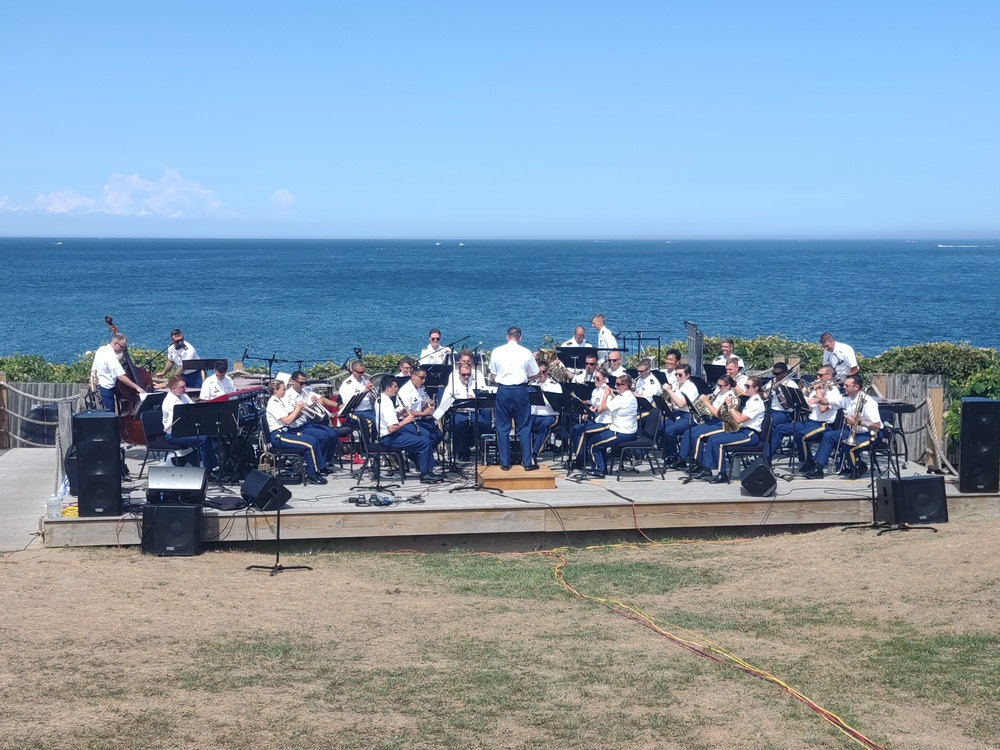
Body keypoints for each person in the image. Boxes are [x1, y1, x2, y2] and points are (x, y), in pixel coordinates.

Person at [804, 374, 881, 480]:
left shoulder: (869, 403)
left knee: (848, 446)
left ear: (856, 387)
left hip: (869, 434)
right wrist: (817, 400)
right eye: (844, 385)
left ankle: (859, 467)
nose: (844, 387)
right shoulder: (845, 398)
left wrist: (858, 422)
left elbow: (877, 425)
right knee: (829, 436)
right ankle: (819, 468)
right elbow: (828, 401)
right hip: (852, 431)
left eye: (847, 385)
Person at [693, 376, 767, 484]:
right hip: (743, 430)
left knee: (718, 442)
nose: (745, 388)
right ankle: (707, 468)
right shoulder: (751, 400)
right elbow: (739, 416)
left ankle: (722, 474)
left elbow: (739, 419)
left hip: (750, 435)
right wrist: (731, 409)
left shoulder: (756, 402)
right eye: (745, 385)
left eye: (748, 386)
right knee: (712, 438)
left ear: (755, 388)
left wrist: (730, 406)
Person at [489, 326, 540, 471]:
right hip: (520, 390)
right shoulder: (526, 352)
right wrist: (526, 378)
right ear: (520, 338)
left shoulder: (497, 351)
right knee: (524, 426)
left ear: (507, 337)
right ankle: (527, 462)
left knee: (503, 426)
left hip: (503, 390)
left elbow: (493, 374)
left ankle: (505, 463)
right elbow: (535, 373)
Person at [377, 375, 440, 483]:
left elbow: (391, 417)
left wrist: (401, 413)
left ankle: (425, 468)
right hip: (389, 438)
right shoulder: (386, 403)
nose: (397, 389)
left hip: (390, 435)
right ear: (388, 388)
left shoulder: (382, 399)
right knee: (425, 441)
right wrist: (406, 420)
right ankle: (425, 474)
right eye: (395, 387)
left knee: (421, 438)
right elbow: (391, 428)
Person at [264, 379, 326, 484]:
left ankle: (317, 470)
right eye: (283, 389)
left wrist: (303, 409)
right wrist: (298, 408)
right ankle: (312, 474)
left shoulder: (279, 401)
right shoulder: (273, 403)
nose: (285, 391)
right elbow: (287, 421)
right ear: (275, 390)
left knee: (313, 439)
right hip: (279, 436)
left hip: (286, 431)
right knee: (310, 444)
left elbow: (290, 416)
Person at [673, 375, 738, 470]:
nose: (718, 387)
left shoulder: (730, 397)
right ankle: (682, 459)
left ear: (728, 386)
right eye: (717, 385)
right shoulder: (720, 394)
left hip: (722, 424)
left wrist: (706, 402)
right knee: (688, 432)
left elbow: (717, 414)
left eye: (720, 386)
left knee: (697, 436)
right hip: (713, 421)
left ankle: (699, 464)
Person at [284, 370, 347, 468]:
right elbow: (291, 416)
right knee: (324, 436)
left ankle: (326, 462)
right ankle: (317, 464)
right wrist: (309, 405)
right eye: (301, 383)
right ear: (293, 382)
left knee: (333, 434)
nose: (303, 385)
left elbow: (321, 400)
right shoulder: (288, 396)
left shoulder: (305, 391)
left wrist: (338, 405)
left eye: (305, 383)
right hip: (295, 427)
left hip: (305, 424)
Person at [582, 373, 638, 476]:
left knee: (593, 444)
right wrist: (612, 394)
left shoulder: (622, 399)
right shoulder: (630, 396)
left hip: (621, 432)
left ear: (625, 386)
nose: (615, 387)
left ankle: (599, 470)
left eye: (618, 385)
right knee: (596, 438)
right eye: (615, 384)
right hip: (627, 430)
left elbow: (602, 407)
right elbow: (617, 401)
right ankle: (602, 467)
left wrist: (606, 394)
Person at [161, 375, 217, 474]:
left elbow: (194, 409)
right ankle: (208, 471)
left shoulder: (183, 396)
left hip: (185, 431)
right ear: (173, 388)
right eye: (182, 387)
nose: (185, 389)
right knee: (204, 439)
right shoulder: (170, 403)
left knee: (213, 439)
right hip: (173, 435)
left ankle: (188, 459)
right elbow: (177, 425)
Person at [448, 360, 493, 461]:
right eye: (463, 375)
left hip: (472, 412)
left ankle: (482, 450)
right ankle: (465, 452)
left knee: (482, 425)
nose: (466, 377)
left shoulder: (474, 384)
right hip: (459, 412)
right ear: (459, 374)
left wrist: (475, 398)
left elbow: (483, 398)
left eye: (468, 374)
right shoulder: (453, 384)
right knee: (459, 426)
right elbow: (446, 402)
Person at [91, 332, 146, 412]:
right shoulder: (111, 357)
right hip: (106, 390)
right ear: (115, 343)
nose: (123, 349)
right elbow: (121, 377)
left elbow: (116, 360)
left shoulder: (101, 349)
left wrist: (123, 353)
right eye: (122, 347)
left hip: (96, 388)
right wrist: (137, 387)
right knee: (109, 415)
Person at [570, 368, 614, 468]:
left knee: (581, 431)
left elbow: (601, 409)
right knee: (576, 428)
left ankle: (581, 459)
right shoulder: (595, 391)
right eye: (594, 378)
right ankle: (581, 457)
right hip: (597, 420)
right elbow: (594, 406)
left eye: (597, 378)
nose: (595, 380)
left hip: (606, 422)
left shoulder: (607, 391)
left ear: (604, 379)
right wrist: (588, 411)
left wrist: (593, 410)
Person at [660, 364, 701, 460]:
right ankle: (667, 455)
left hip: (688, 415)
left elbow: (681, 404)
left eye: (680, 375)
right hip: (677, 413)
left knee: (669, 431)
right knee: (660, 427)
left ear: (687, 375)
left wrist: (670, 391)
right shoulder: (676, 384)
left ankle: (673, 457)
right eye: (676, 374)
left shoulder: (690, 387)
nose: (677, 377)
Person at [396, 368, 443, 447]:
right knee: (426, 435)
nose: (423, 381)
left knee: (437, 435)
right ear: (413, 376)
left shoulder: (420, 388)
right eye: (421, 378)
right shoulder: (405, 391)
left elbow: (424, 403)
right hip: (406, 422)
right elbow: (406, 413)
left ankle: (426, 452)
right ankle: (420, 453)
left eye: (425, 378)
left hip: (418, 420)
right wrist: (424, 413)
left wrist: (429, 405)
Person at [528, 362, 562, 461]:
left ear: (547, 372)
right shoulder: (532, 384)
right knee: (523, 425)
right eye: (538, 372)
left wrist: (543, 395)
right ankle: (525, 452)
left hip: (549, 415)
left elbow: (558, 405)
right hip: (534, 415)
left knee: (545, 426)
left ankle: (534, 454)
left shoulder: (554, 385)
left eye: (543, 372)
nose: (541, 375)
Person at [338, 359, 376, 428]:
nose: (362, 374)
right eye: (360, 372)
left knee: (383, 419)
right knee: (374, 421)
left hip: (369, 410)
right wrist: (365, 391)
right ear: (353, 372)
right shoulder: (347, 384)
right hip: (355, 412)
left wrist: (373, 395)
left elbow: (372, 401)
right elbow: (350, 404)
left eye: (363, 372)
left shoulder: (365, 381)